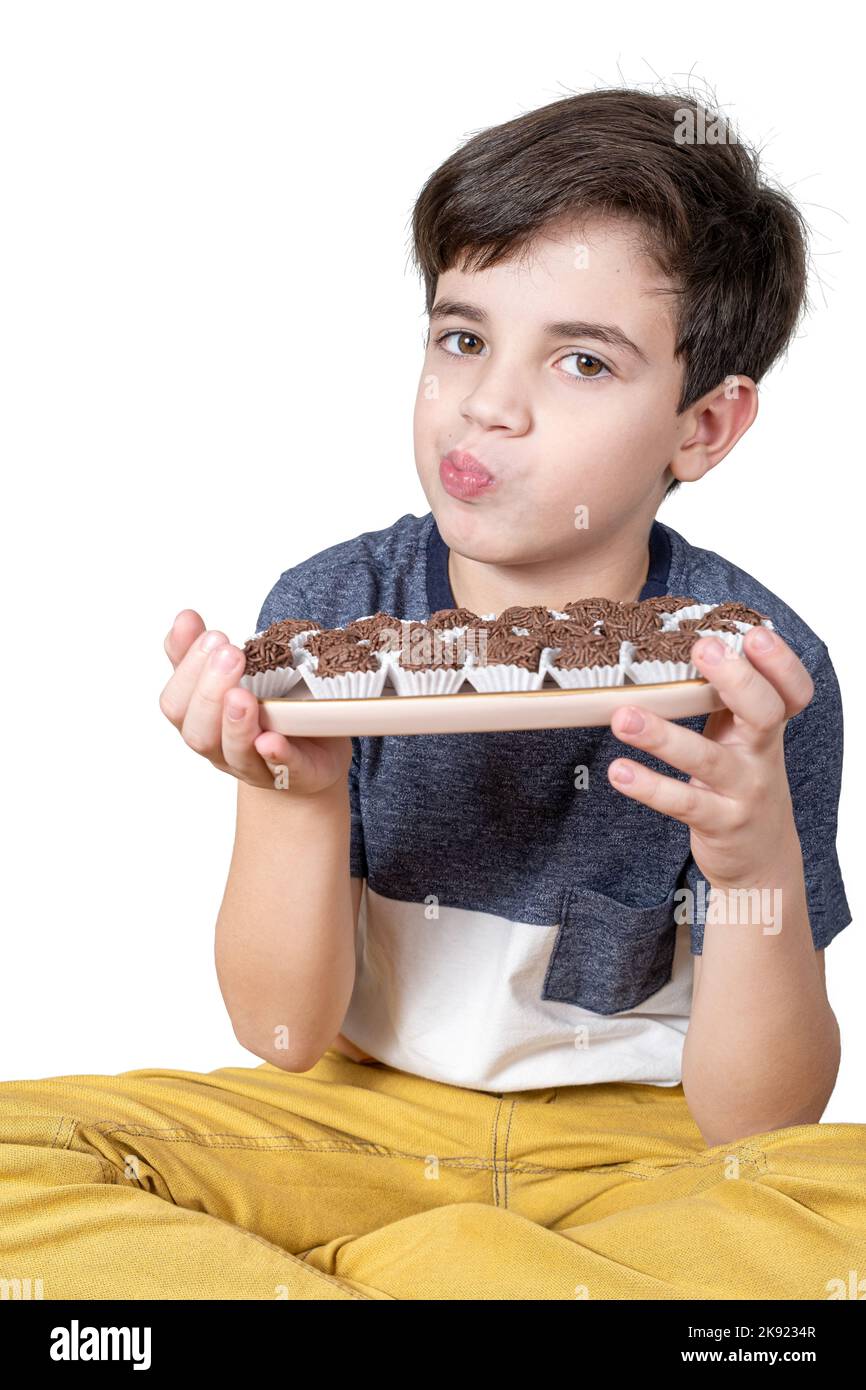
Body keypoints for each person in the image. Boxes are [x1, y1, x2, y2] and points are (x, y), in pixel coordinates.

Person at [2, 86, 864, 1302]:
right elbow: (283, 1039)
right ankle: (475, 1276)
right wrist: (289, 799)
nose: (488, 405)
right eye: (461, 338)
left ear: (703, 424)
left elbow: (756, 1122)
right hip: (354, 1134)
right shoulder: (336, 607)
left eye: (577, 361)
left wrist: (753, 864)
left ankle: (415, 1278)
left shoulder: (753, 669)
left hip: (633, 1155)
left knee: (838, 1207)